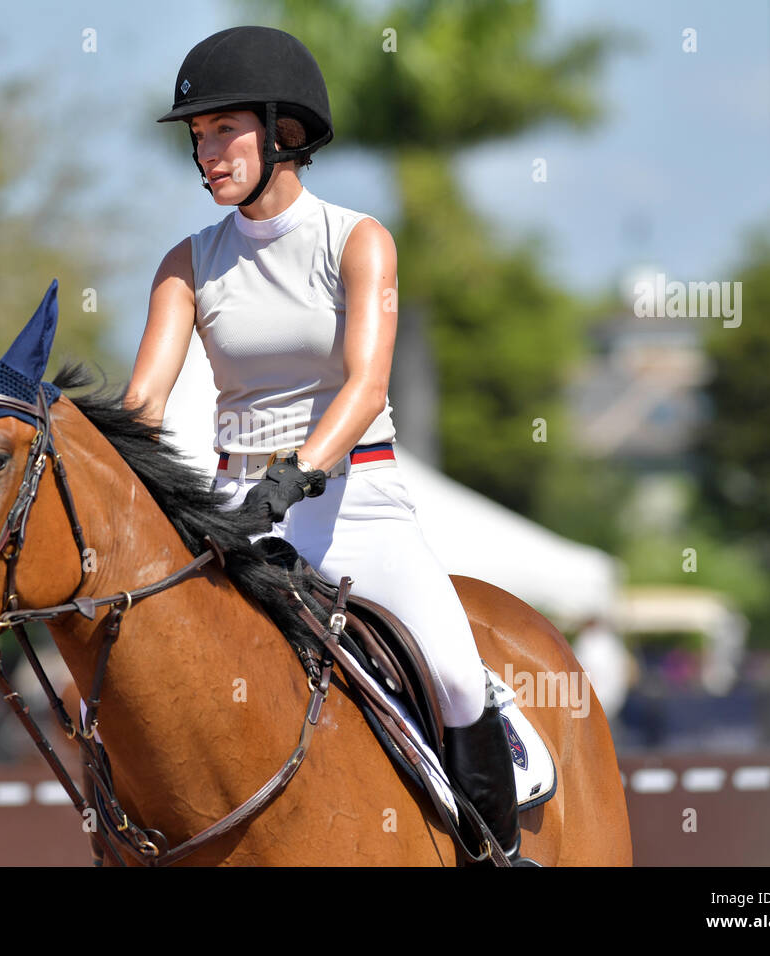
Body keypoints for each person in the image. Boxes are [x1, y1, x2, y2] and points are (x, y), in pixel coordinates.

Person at [124, 25, 536, 866]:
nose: (206, 152)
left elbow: (366, 387)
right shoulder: (186, 263)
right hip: (237, 516)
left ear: (284, 132)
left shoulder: (357, 240)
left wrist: (295, 476)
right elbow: (143, 402)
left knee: (457, 675)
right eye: (198, 137)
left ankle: (494, 856)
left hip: (357, 505)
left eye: (223, 130)